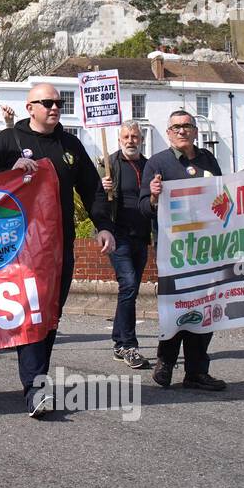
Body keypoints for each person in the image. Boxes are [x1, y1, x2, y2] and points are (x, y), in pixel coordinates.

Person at [0, 82, 116, 417]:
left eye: (59, 102)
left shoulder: (70, 144)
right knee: (30, 311)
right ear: (30, 108)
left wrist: (103, 225)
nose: (55, 107)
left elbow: (92, 188)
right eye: (47, 102)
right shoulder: (10, 141)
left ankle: (36, 377)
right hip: (19, 247)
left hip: (59, 245)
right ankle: (36, 385)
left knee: (51, 313)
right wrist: (9, 172)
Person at [140, 109, 227, 391]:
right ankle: (165, 362)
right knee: (176, 306)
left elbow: (222, 196)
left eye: (187, 126)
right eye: (176, 127)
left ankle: (197, 371)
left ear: (195, 131)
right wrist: (153, 196)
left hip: (206, 248)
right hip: (174, 250)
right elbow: (143, 208)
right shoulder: (157, 163)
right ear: (168, 133)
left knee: (205, 307)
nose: (181, 131)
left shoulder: (208, 160)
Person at [98, 121, 152, 369]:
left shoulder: (149, 165)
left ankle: (118, 343)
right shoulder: (108, 164)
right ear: (119, 139)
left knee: (129, 290)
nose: (131, 140)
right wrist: (102, 187)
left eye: (135, 136)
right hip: (118, 235)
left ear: (140, 139)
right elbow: (94, 197)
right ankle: (129, 345)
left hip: (141, 236)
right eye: (126, 136)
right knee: (128, 284)